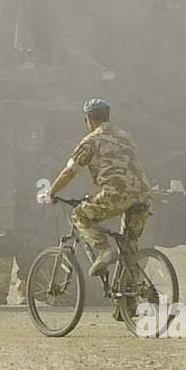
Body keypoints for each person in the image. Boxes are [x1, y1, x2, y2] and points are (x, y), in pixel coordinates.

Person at [41, 98, 151, 281]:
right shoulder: (125, 137)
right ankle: (129, 301)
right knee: (129, 249)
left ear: (89, 118)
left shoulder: (91, 140)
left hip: (116, 194)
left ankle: (103, 251)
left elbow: (69, 172)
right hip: (143, 196)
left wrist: (51, 193)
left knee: (79, 215)